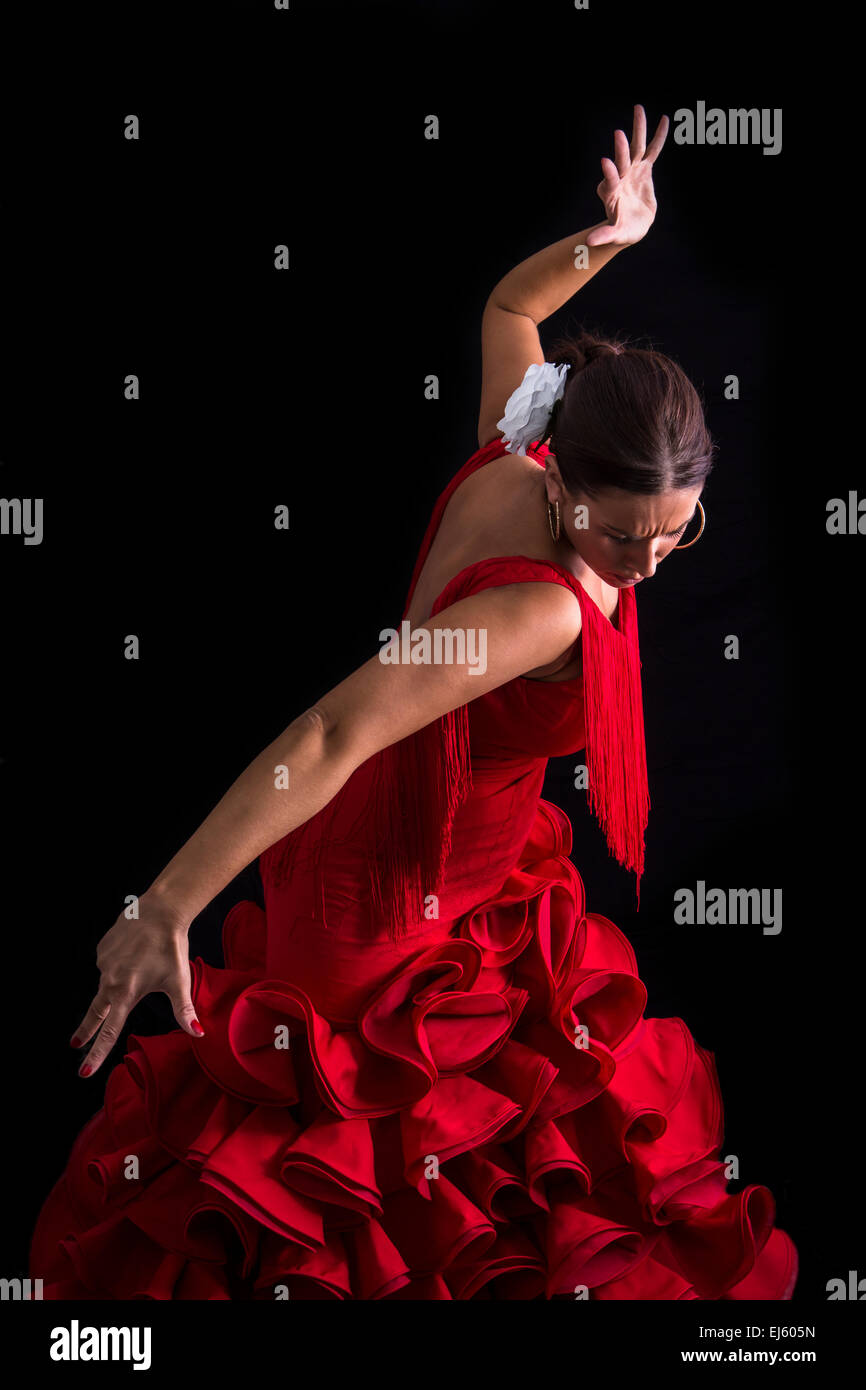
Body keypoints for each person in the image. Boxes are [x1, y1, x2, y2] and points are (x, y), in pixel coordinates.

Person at [29, 106, 797, 1299]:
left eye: (674, 532)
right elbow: (335, 728)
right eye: (620, 535)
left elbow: (507, 311)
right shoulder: (540, 610)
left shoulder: (521, 440)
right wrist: (167, 900)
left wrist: (615, 235)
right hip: (387, 893)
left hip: (439, 845)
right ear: (568, 489)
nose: (646, 564)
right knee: (359, 1179)